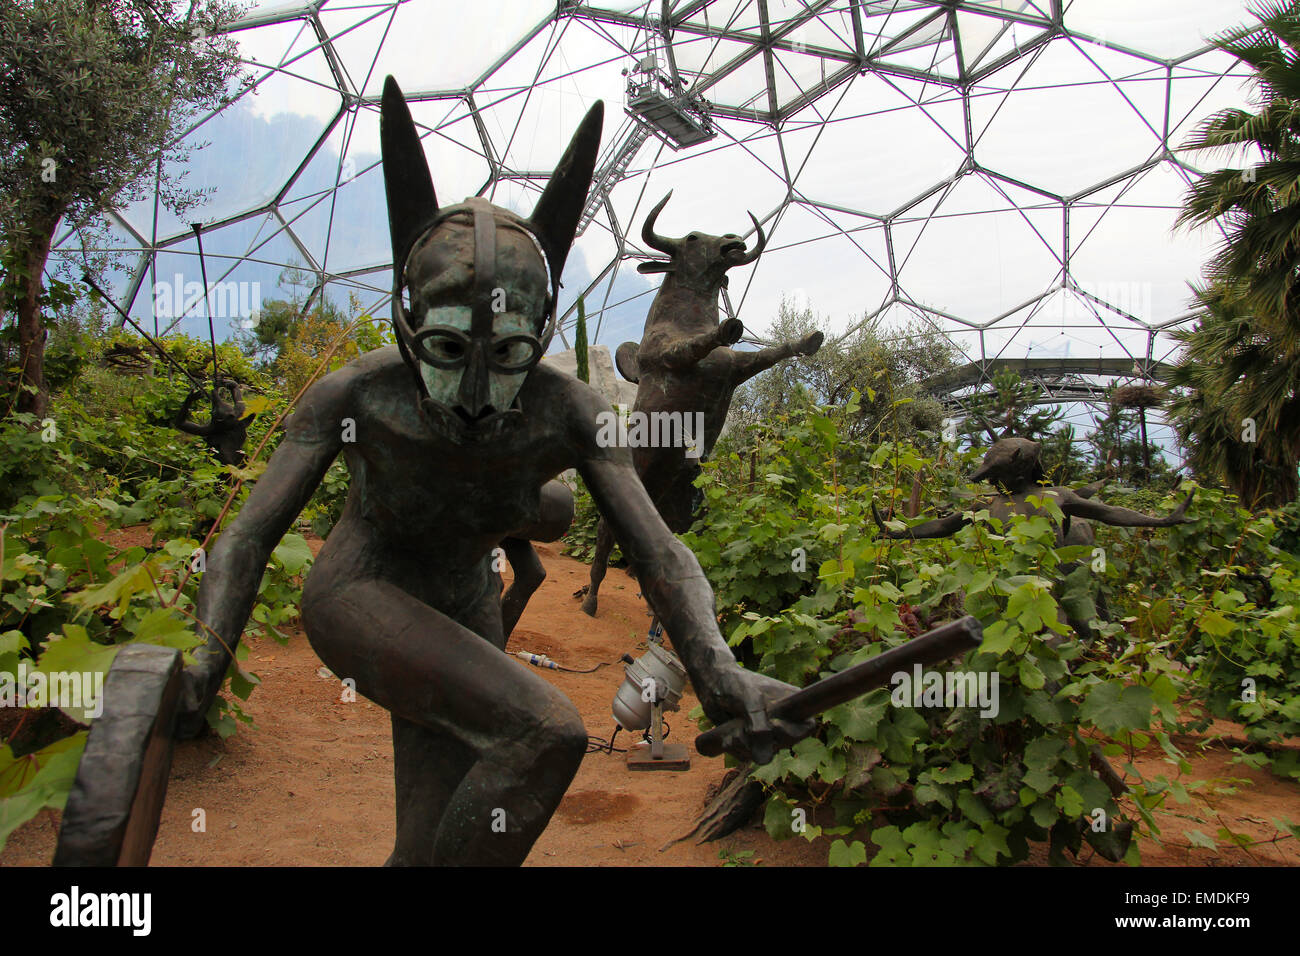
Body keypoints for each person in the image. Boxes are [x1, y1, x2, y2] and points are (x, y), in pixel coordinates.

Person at [175, 77, 810, 866]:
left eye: (506, 355)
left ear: (539, 334)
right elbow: (247, 535)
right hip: (363, 588)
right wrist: (206, 656)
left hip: (466, 600)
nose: (475, 398)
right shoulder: (359, 395)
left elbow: (658, 551)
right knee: (541, 729)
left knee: (430, 833)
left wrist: (719, 672)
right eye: (448, 351)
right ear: (408, 326)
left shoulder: (568, 409)